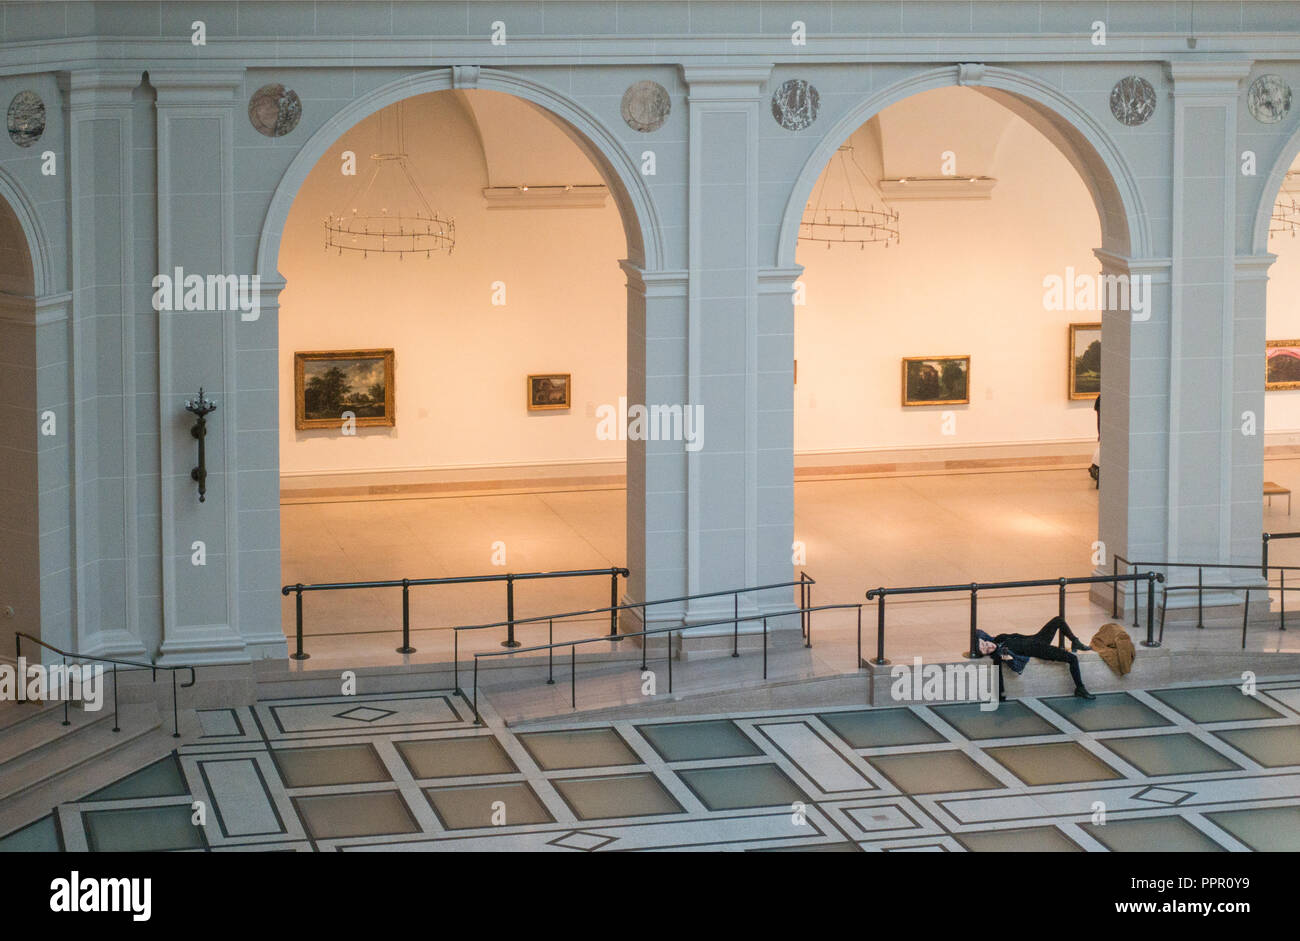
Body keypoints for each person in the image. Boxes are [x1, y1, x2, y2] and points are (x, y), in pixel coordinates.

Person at [975, 616, 1096, 700]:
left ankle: (1075, 642)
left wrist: (979, 641)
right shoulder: (1001, 653)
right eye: (986, 650)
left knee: (1059, 620)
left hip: (1037, 639)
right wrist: (1000, 694)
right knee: (1073, 659)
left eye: (985, 644)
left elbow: (977, 632)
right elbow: (1015, 667)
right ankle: (1080, 688)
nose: (988, 646)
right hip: (1040, 650)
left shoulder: (997, 639)